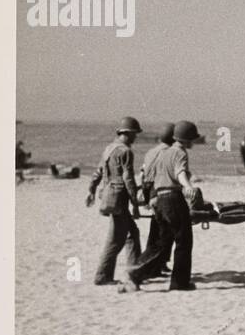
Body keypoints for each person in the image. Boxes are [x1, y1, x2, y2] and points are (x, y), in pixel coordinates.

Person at [128, 120, 202, 291]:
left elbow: (148, 176)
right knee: (183, 242)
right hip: (174, 198)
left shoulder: (163, 153)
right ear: (186, 139)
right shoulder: (180, 153)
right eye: (192, 139)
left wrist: (149, 198)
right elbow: (180, 172)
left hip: (160, 200)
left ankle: (136, 274)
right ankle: (179, 283)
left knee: (163, 243)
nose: (193, 142)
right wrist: (188, 186)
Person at [86, 116, 143, 285]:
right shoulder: (125, 151)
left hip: (109, 196)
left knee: (132, 234)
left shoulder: (109, 149)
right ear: (127, 133)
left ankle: (134, 272)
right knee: (115, 241)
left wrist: (91, 190)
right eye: (134, 134)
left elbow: (98, 171)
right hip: (119, 200)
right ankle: (102, 276)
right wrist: (135, 204)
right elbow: (128, 179)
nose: (136, 137)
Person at [137, 124, 175, 281]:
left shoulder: (151, 152)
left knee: (157, 231)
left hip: (153, 195)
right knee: (164, 234)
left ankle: (159, 264)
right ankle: (153, 266)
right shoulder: (170, 152)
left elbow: (144, 176)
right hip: (162, 196)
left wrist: (146, 197)